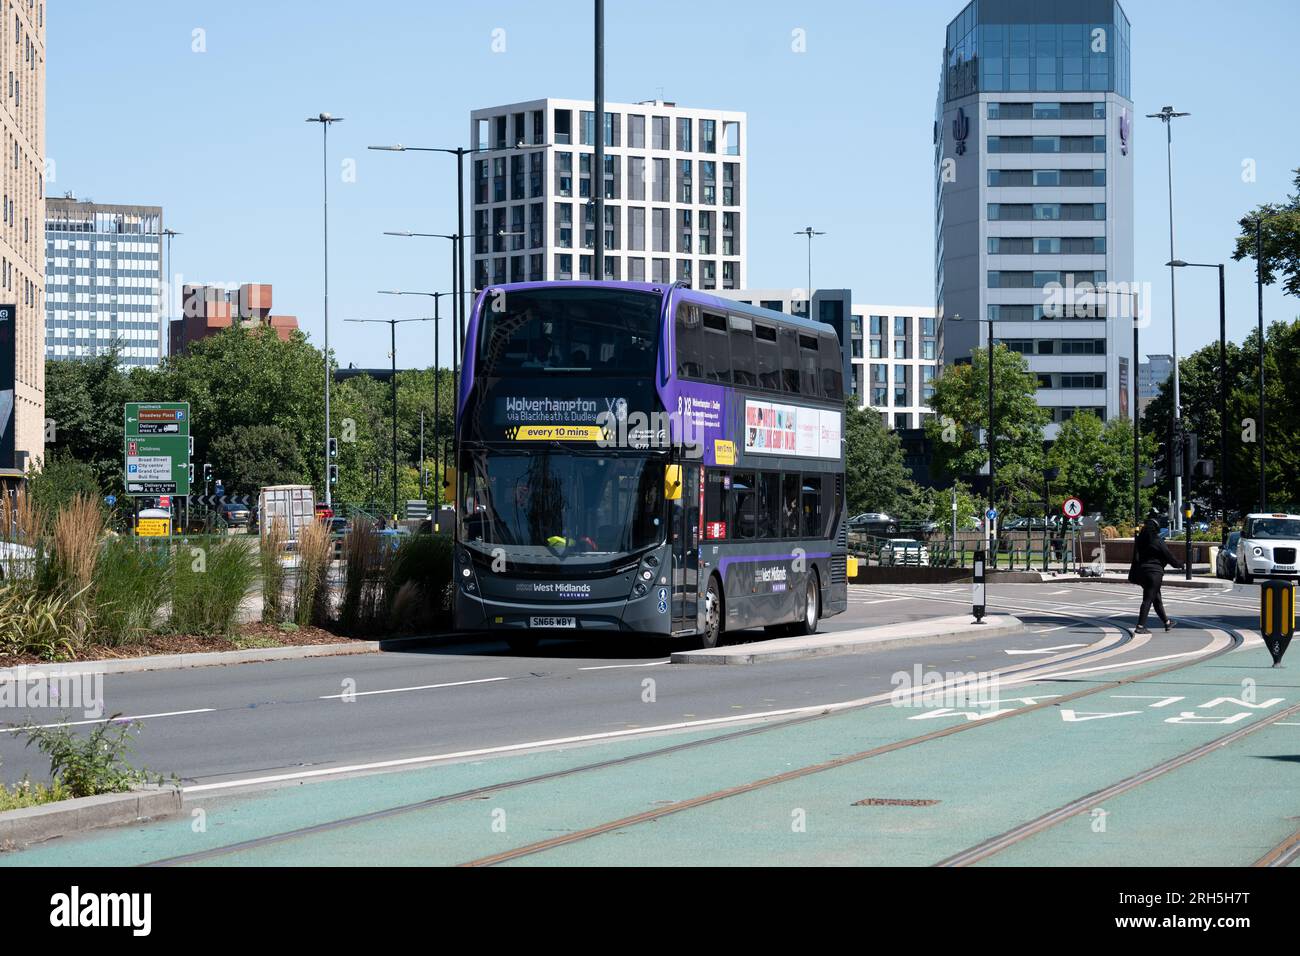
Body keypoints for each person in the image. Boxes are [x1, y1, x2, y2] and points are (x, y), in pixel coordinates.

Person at [1130, 509, 1182, 634]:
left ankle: (1167, 622)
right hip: (1154, 573)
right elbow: (1169, 556)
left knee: (1156, 598)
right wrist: (1180, 565)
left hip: (1142, 573)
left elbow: (1135, 557)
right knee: (1148, 599)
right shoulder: (1158, 541)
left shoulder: (1140, 541)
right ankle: (1140, 626)